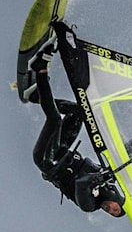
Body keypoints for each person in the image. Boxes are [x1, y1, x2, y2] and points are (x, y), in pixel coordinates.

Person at [26, 45, 125, 217]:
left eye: (111, 213)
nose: (109, 210)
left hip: (48, 161)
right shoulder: (108, 180)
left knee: (55, 120)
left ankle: (40, 70)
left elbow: (81, 183)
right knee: (79, 112)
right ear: (118, 199)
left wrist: (100, 177)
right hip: (62, 149)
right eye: (115, 209)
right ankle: (36, 95)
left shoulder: (89, 205)